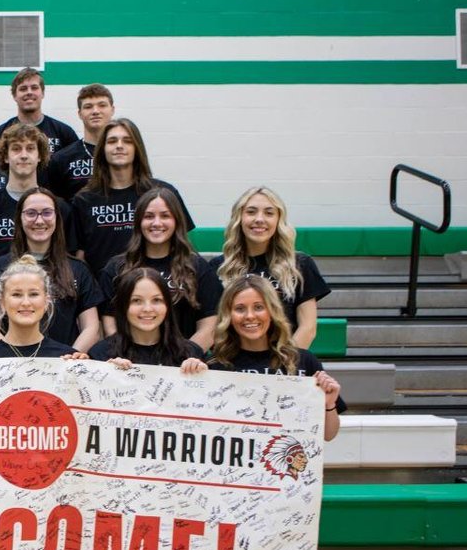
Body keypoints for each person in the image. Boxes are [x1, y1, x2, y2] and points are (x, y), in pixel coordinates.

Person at [209, 275, 344, 440]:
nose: (250, 316)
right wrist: (193, 372)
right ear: (228, 315)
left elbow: (328, 435)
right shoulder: (215, 366)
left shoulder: (303, 360)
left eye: (259, 307)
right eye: (240, 309)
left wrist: (329, 404)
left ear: (272, 311)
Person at [0, 186, 99, 353]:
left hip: (63, 370)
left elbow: (91, 328)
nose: (39, 221)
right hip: (9, 368)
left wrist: (66, 359)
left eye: (47, 212)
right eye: (31, 213)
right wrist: (15, 360)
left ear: (57, 218)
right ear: (19, 218)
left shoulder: (78, 269)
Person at [96, 187, 220, 350]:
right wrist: (126, 357)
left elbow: (209, 325)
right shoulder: (116, 268)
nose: (156, 223)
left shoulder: (197, 267)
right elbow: (109, 323)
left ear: (177, 221)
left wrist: (185, 358)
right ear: (139, 222)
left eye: (165, 215)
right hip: (129, 365)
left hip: (182, 367)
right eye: (148, 216)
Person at [71, 118, 194, 277]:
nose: (119, 146)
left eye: (127, 141)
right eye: (112, 141)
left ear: (137, 148)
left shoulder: (163, 192)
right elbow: (80, 257)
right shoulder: (84, 199)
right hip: (105, 292)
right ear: (102, 149)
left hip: (157, 290)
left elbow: (182, 244)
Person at [211, 186, 331, 349]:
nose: (259, 219)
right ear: (239, 219)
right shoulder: (219, 267)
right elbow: (214, 326)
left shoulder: (300, 265)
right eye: (251, 212)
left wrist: (282, 365)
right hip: (234, 366)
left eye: (269, 213)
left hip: (283, 367)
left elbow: (308, 328)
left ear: (279, 220)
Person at [0, 122, 72, 265]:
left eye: (30, 149)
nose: (24, 155)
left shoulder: (60, 208)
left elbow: (69, 259)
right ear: (6, 157)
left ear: (40, 156)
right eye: (16, 149)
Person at [90, 267, 208, 372]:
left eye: (156, 300)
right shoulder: (100, 354)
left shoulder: (191, 352)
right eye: (136, 301)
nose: (147, 309)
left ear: (167, 305)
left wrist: (201, 376)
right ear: (123, 306)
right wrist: (105, 376)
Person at [0, 256, 87, 359]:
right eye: (16, 295)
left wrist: (81, 368)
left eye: (34, 294)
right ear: (2, 302)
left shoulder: (67, 358)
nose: (26, 303)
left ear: (46, 301)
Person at [0, 67, 78, 159]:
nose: (29, 92)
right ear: (14, 95)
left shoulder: (65, 133)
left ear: (43, 93)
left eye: (34, 87)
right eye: (23, 89)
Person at [46, 84, 116, 202]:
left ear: (112, 110)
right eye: (88, 107)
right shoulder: (61, 159)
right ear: (80, 114)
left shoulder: (124, 153)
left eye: (102, 105)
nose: (95, 111)